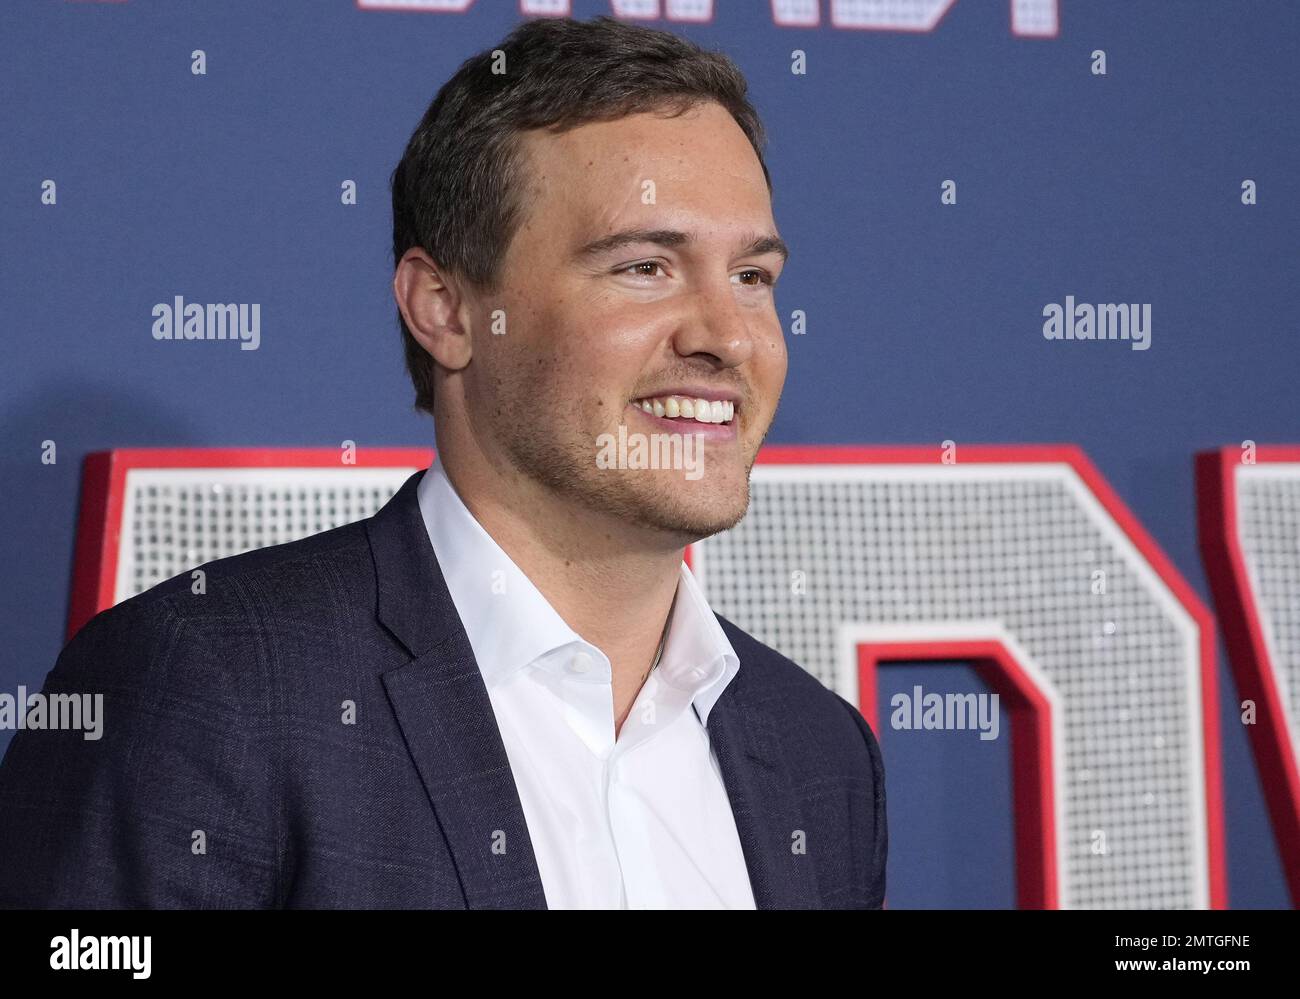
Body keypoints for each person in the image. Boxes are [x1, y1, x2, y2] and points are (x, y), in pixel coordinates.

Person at [0, 15, 885, 909]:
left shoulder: (821, 756)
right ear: (446, 310)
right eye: (646, 266)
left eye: (753, 278)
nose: (728, 337)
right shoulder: (212, 686)